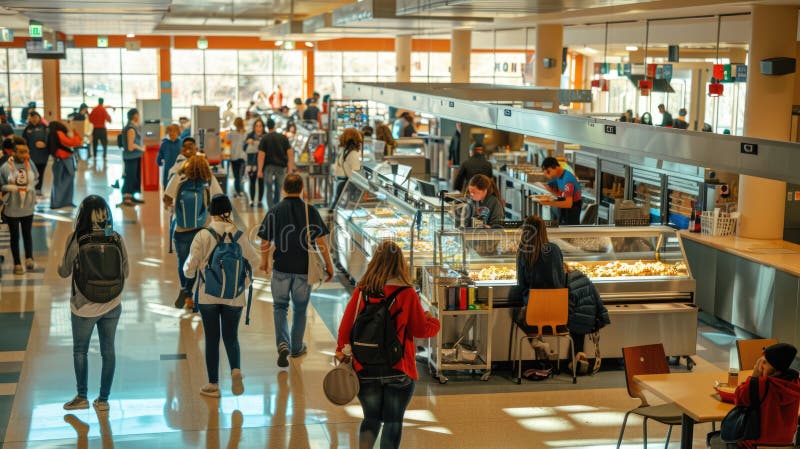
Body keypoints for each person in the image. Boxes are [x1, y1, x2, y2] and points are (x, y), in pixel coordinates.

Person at [335, 240, 440, 449]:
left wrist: (342, 351)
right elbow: (420, 330)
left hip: (365, 368)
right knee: (393, 421)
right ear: (401, 264)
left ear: (375, 261)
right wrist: (434, 321)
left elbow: (345, 330)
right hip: (398, 368)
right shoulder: (407, 293)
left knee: (371, 419)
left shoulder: (362, 291)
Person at [183, 195, 257, 398]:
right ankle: (236, 370)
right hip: (234, 296)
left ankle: (213, 384)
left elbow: (189, 268)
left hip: (207, 295)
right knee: (231, 337)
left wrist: (192, 272)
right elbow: (254, 262)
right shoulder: (240, 235)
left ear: (211, 212)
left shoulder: (203, 235)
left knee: (212, 339)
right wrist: (241, 282)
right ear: (229, 211)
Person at [59, 195, 128, 412]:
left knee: (80, 351)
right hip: (112, 303)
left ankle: (82, 397)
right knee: (108, 351)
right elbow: (125, 271)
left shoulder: (76, 238)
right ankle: (103, 400)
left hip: (84, 306)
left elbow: (64, 271)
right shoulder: (115, 237)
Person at [258, 174, 334, 367]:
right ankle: (296, 347)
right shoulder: (310, 210)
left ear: (283, 188)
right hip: (303, 269)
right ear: (302, 189)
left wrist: (264, 261)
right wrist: (329, 264)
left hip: (281, 267)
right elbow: (320, 241)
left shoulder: (275, 210)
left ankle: (283, 343)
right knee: (300, 309)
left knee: (280, 307)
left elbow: (265, 240)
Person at [708, 343, 800, 449]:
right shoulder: (795, 384)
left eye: (765, 363)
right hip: (785, 446)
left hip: (753, 445)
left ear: (777, 371)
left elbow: (738, 398)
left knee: (713, 440)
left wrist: (754, 376)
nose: (760, 365)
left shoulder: (760, 385)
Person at [164, 155, 223, 309]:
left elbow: (167, 198)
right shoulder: (209, 180)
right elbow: (220, 200)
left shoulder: (179, 177)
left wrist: (172, 207)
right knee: (197, 262)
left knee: (183, 262)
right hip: (202, 230)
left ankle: (186, 291)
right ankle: (190, 292)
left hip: (181, 229)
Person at [0, 136, 38, 275]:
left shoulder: (30, 164)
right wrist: (7, 187)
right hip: (12, 208)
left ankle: (29, 258)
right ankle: (17, 263)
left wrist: (31, 187)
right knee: (15, 236)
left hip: (28, 207)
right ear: (14, 152)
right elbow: (1, 184)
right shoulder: (5, 167)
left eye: (26, 152)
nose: (25, 155)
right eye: (21, 152)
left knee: (27, 234)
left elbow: (36, 178)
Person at [509, 215, 566, 304]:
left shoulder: (524, 252)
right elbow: (561, 279)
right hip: (556, 303)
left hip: (533, 303)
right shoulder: (555, 249)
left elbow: (521, 284)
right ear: (544, 230)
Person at [564, 263, 610, 356]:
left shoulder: (567, 283)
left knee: (576, 345)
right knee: (577, 344)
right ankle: (577, 360)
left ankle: (575, 362)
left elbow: (569, 307)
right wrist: (603, 316)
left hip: (578, 319)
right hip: (589, 317)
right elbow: (597, 297)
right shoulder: (582, 277)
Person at [257, 118, 294, 210]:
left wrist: (260, 170)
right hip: (281, 167)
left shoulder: (265, 138)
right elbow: (290, 153)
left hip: (268, 167)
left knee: (269, 189)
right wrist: (290, 168)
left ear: (267, 127)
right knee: (279, 187)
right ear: (274, 126)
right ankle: (277, 206)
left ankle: (271, 208)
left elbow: (261, 155)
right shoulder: (283, 137)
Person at [48, 120, 81, 210]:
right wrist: (75, 133)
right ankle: (58, 202)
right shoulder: (59, 133)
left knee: (60, 180)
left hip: (60, 159)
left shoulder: (54, 133)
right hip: (64, 159)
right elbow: (73, 142)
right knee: (62, 181)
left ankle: (62, 202)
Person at [540, 156, 583, 225]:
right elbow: (551, 187)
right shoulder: (558, 176)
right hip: (564, 210)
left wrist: (548, 203)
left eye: (548, 172)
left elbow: (568, 204)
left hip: (571, 210)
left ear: (555, 167)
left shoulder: (568, 179)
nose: (548, 176)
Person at [331, 128, 362, 210]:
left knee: (336, 205)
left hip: (340, 182)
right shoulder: (353, 154)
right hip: (347, 185)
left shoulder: (344, 151)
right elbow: (356, 173)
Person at [120, 109, 145, 207]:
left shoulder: (131, 127)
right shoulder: (131, 129)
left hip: (133, 157)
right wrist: (142, 148)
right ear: (135, 116)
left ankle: (131, 197)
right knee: (130, 178)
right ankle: (127, 199)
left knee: (133, 177)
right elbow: (131, 146)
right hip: (131, 157)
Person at [23, 112, 48, 195]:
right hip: (31, 156)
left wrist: (45, 144)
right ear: (29, 118)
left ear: (39, 118)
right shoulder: (27, 129)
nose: (34, 119)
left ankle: (38, 189)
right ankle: (31, 189)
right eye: (32, 117)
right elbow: (24, 142)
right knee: (31, 173)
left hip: (42, 156)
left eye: (36, 117)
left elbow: (49, 140)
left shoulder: (44, 128)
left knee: (40, 173)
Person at [245, 119, 266, 208]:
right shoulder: (250, 136)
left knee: (261, 182)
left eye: (260, 126)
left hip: (263, 163)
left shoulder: (266, 136)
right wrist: (247, 142)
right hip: (252, 163)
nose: (258, 128)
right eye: (256, 126)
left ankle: (260, 200)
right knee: (252, 181)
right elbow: (244, 148)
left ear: (263, 127)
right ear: (254, 127)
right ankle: (252, 200)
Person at [227, 118, 247, 198]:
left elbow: (226, 142)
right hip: (242, 157)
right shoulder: (245, 134)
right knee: (241, 175)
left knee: (236, 176)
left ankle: (238, 191)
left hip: (233, 157)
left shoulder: (231, 134)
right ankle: (240, 191)